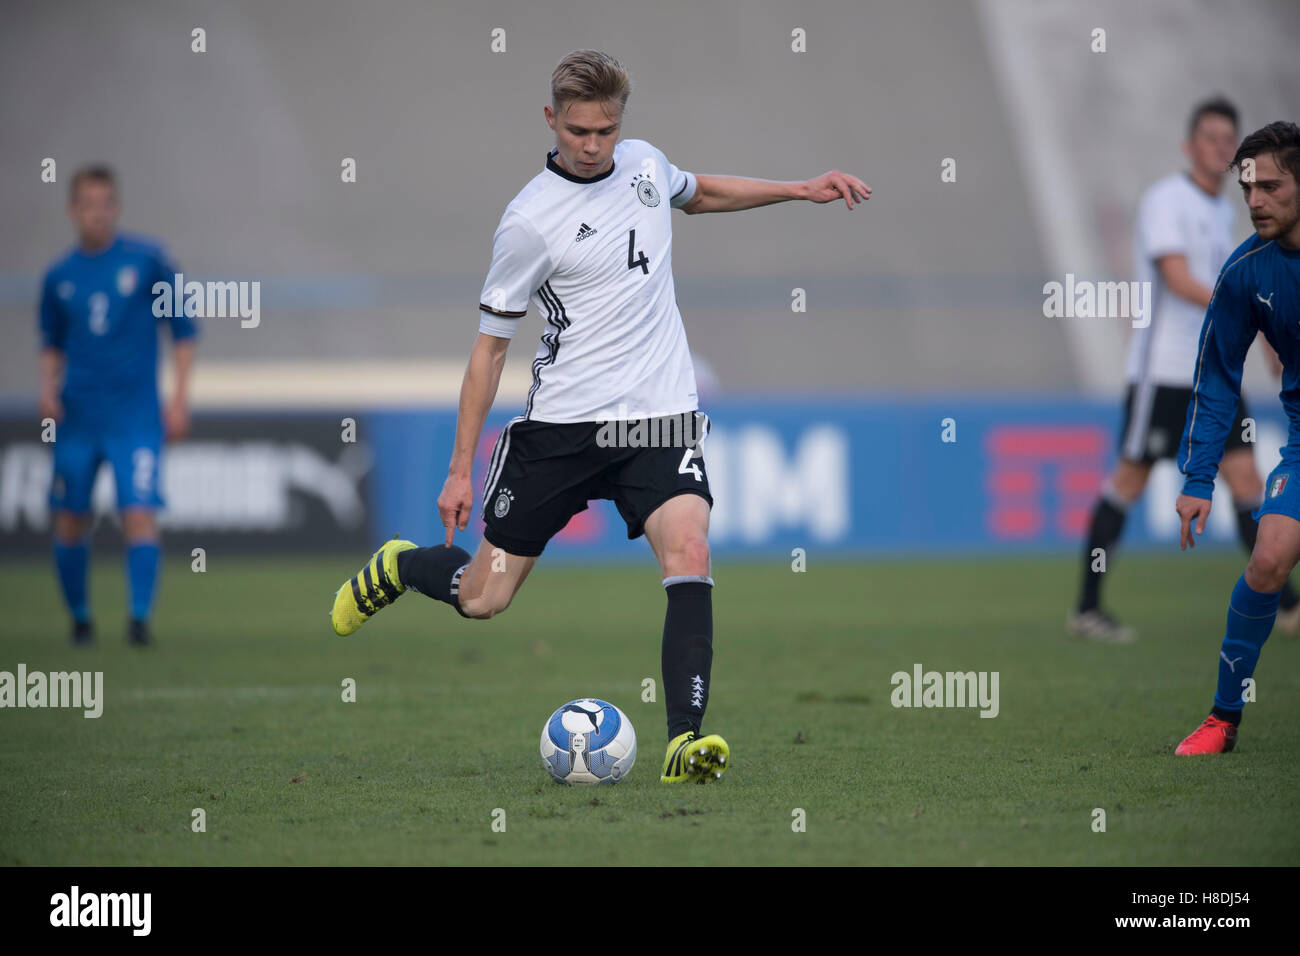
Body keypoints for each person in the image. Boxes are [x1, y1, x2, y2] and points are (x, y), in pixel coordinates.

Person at [330, 49, 870, 783]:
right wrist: (460, 468)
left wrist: (800, 189)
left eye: (606, 131)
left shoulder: (644, 165)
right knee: (485, 598)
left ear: (622, 124)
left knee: (691, 554)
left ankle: (684, 742)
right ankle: (403, 565)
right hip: (562, 429)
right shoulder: (528, 222)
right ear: (551, 119)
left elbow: (700, 193)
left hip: (659, 419)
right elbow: (489, 353)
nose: (592, 146)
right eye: (579, 130)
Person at [1070, 99, 1296, 642]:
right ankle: (1087, 607)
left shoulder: (1230, 211)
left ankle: (1287, 606)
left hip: (1215, 371)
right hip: (1167, 372)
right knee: (1129, 480)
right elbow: (1177, 278)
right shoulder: (1166, 200)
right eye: (1211, 138)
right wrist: (1248, 314)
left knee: (1245, 480)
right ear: (1189, 146)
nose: (1221, 147)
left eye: (1228, 140)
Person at [1173, 121, 1300, 754]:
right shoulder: (1247, 272)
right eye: (1246, 188)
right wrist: (1198, 477)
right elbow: (1218, 377)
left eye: (1272, 186)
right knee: (1270, 557)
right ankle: (1224, 719)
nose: (1255, 201)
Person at [39, 165, 197, 646]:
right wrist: (47, 389)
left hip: (135, 418)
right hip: (79, 418)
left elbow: (184, 332)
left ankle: (138, 621)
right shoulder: (59, 276)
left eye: (105, 203)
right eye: (87, 204)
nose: (97, 213)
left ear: (117, 207)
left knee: (139, 511)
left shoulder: (147, 261)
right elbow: (52, 343)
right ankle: (82, 620)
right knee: (70, 518)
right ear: (72, 210)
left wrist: (180, 398)